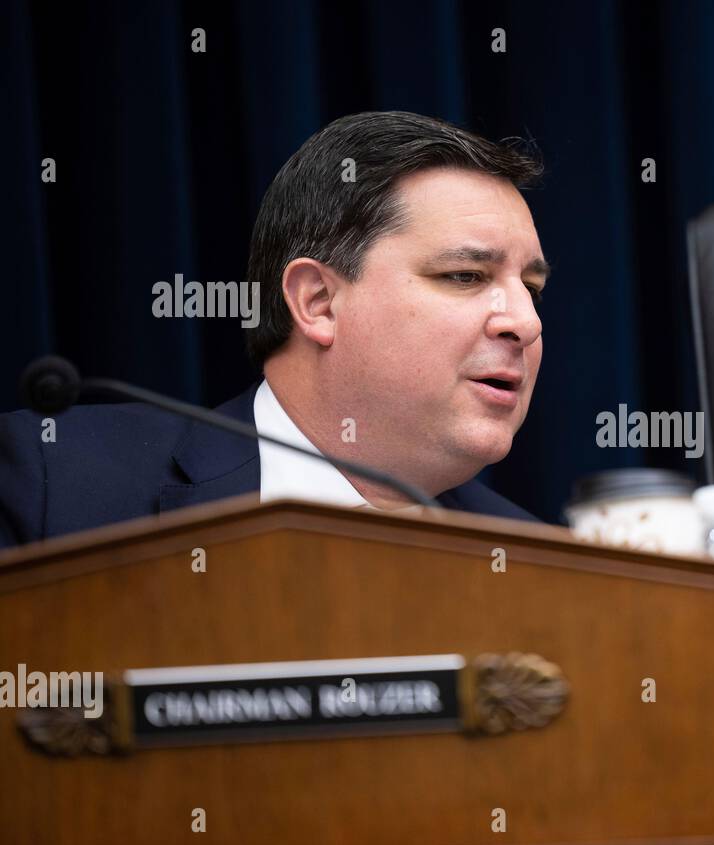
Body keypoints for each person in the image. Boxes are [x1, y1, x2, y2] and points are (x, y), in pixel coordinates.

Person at [0, 111, 547, 547]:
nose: (525, 321)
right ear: (318, 302)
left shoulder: (542, 566)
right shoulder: (52, 481)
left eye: (533, 288)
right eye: (465, 275)